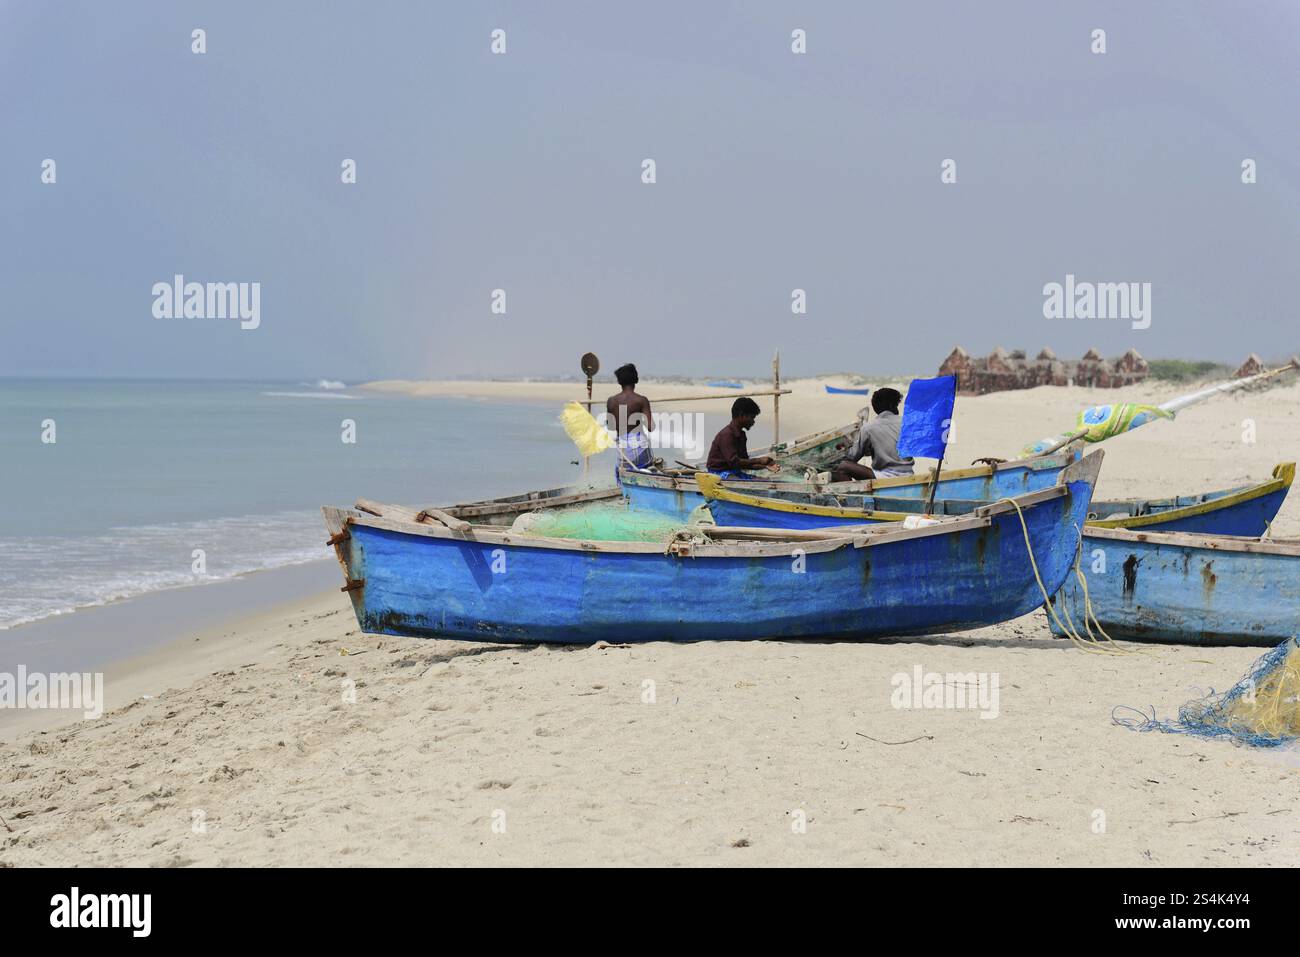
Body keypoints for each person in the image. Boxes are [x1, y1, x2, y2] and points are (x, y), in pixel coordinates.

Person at [831, 387, 915, 482]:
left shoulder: (868, 427)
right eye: (896, 405)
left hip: (885, 477)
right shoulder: (906, 423)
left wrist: (844, 448)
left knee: (843, 466)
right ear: (892, 405)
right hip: (909, 474)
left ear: (876, 408)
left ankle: (852, 495)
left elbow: (853, 457)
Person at [706, 397, 779, 478]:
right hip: (717, 473)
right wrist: (759, 460)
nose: (753, 421)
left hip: (734, 471)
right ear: (742, 415)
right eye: (752, 417)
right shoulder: (726, 435)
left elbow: (745, 463)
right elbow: (734, 462)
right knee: (736, 480)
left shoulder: (742, 435)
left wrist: (765, 466)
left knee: (763, 481)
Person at [606, 363, 653, 480]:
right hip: (640, 448)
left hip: (624, 452)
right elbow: (651, 427)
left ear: (619, 382)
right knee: (649, 466)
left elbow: (611, 427)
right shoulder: (641, 400)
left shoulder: (611, 401)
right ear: (635, 379)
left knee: (621, 468)